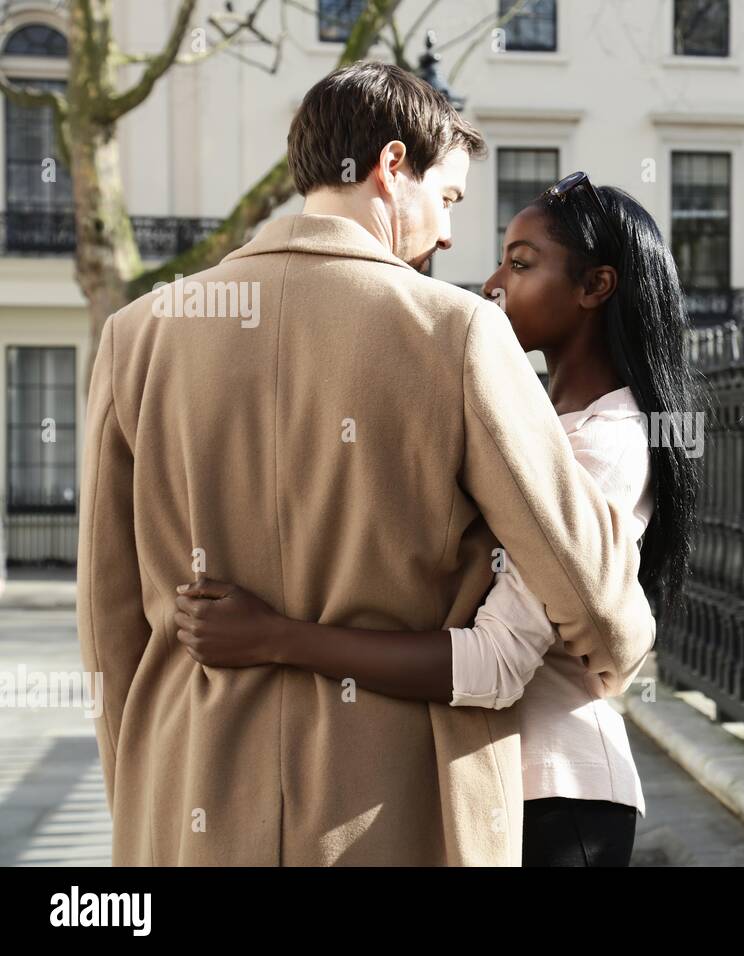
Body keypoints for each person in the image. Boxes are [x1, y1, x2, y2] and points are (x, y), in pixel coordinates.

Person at [75, 62, 655, 866]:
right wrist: (627, 642)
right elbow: (586, 585)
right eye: (446, 198)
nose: (450, 235)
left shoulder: (138, 335)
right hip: (395, 800)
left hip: (191, 791)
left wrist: (140, 791)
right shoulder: (456, 335)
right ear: (390, 168)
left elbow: (109, 625)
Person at [169, 174, 705, 867]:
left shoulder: (603, 441)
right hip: (486, 783)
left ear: (595, 286)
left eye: (521, 263)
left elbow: (496, 662)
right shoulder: (532, 420)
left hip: (554, 798)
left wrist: (274, 635)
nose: (492, 283)